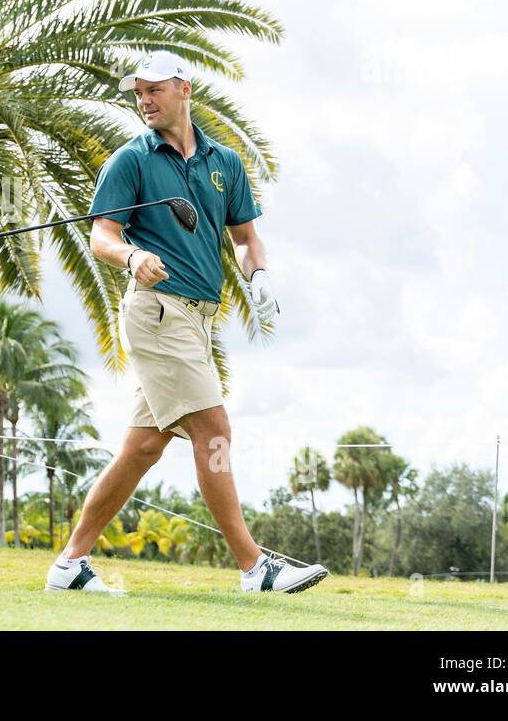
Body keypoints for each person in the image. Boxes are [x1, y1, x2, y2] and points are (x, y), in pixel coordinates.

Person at [45, 51, 329, 595]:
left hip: (198, 318)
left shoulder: (225, 162)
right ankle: (254, 567)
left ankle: (68, 565)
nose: (144, 100)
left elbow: (245, 238)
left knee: (144, 447)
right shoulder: (130, 161)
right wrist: (130, 256)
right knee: (214, 431)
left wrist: (260, 276)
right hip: (157, 310)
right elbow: (101, 235)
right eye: (137, 93)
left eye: (154, 89)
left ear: (184, 89)